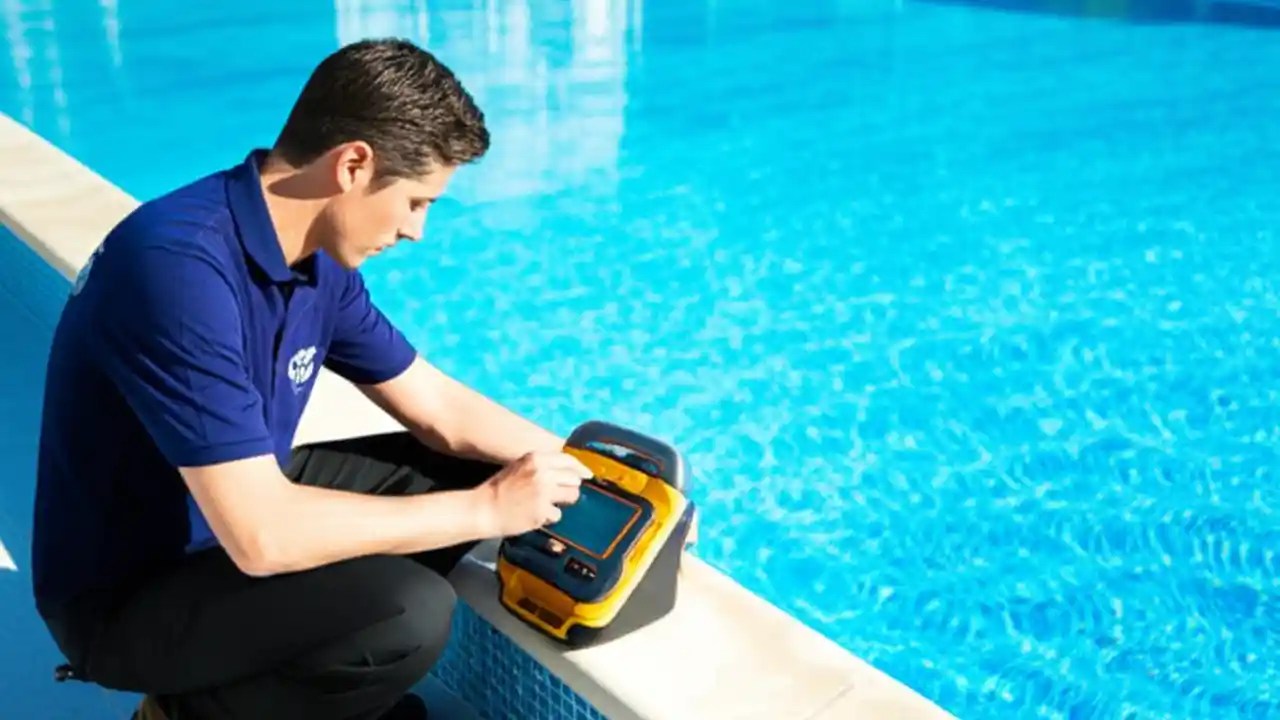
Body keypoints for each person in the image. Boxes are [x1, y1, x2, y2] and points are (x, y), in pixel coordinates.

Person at [30, 38, 595, 720]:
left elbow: (437, 409)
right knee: (406, 613)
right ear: (353, 164)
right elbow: (262, 535)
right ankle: (189, 711)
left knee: (459, 465)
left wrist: (595, 481)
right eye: (417, 202)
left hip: (219, 524)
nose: (417, 231)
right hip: (131, 598)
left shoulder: (314, 258)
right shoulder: (178, 271)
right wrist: (488, 512)